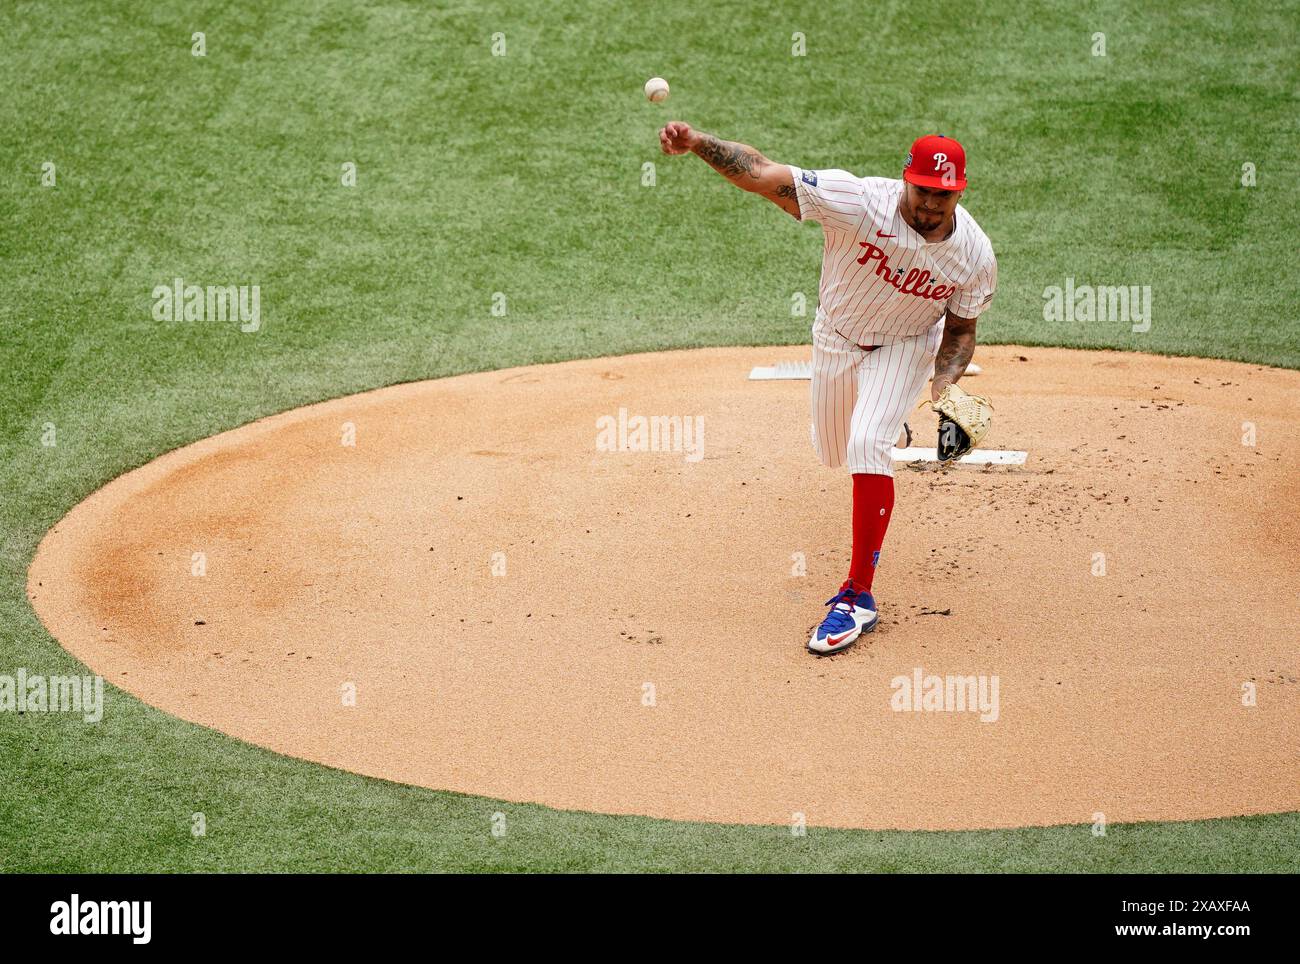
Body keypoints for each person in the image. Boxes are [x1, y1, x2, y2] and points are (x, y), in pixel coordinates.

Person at [658, 123, 997, 654]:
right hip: (837, 336)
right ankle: (887, 423)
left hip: (907, 344)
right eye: (922, 191)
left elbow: (959, 331)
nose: (930, 204)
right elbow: (763, 174)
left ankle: (857, 596)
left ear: (961, 190)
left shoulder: (973, 255)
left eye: (943, 194)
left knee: (866, 445)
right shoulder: (859, 202)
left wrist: (946, 390)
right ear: (905, 181)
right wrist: (698, 143)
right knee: (832, 450)